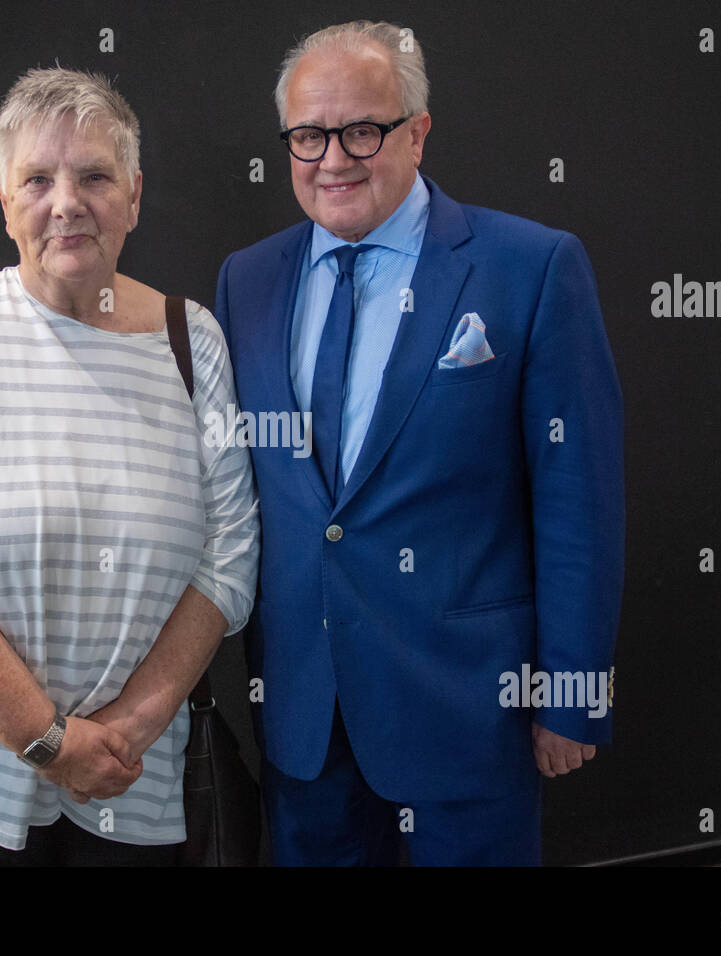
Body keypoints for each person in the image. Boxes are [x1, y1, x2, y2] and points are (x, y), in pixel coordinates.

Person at [214, 21, 624, 865]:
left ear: (419, 129)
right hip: (303, 716)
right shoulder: (245, 280)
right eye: (307, 136)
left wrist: (573, 694)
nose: (333, 158)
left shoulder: (530, 267)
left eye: (363, 130)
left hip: (471, 713)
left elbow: (579, 496)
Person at [0, 67, 258, 865]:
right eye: (38, 178)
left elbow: (232, 553)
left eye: (95, 176)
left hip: (135, 777)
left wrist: (125, 730)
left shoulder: (192, 339)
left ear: (134, 195)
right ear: (4, 198)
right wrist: (49, 741)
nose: (66, 201)